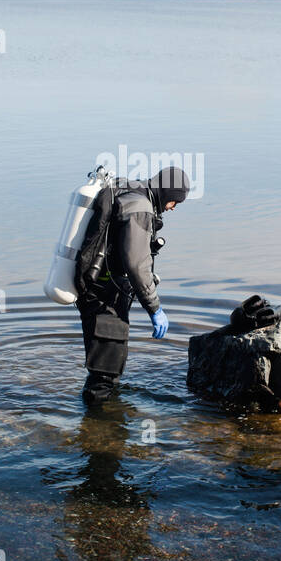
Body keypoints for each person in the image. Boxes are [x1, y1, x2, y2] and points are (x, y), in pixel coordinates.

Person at [77, 166, 189, 405]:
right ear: (167, 193)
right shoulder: (140, 208)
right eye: (174, 202)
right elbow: (137, 265)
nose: (173, 208)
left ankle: (101, 425)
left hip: (94, 287)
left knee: (105, 365)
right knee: (105, 373)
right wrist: (155, 308)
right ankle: (100, 429)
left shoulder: (129, 189)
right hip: (105, 295)